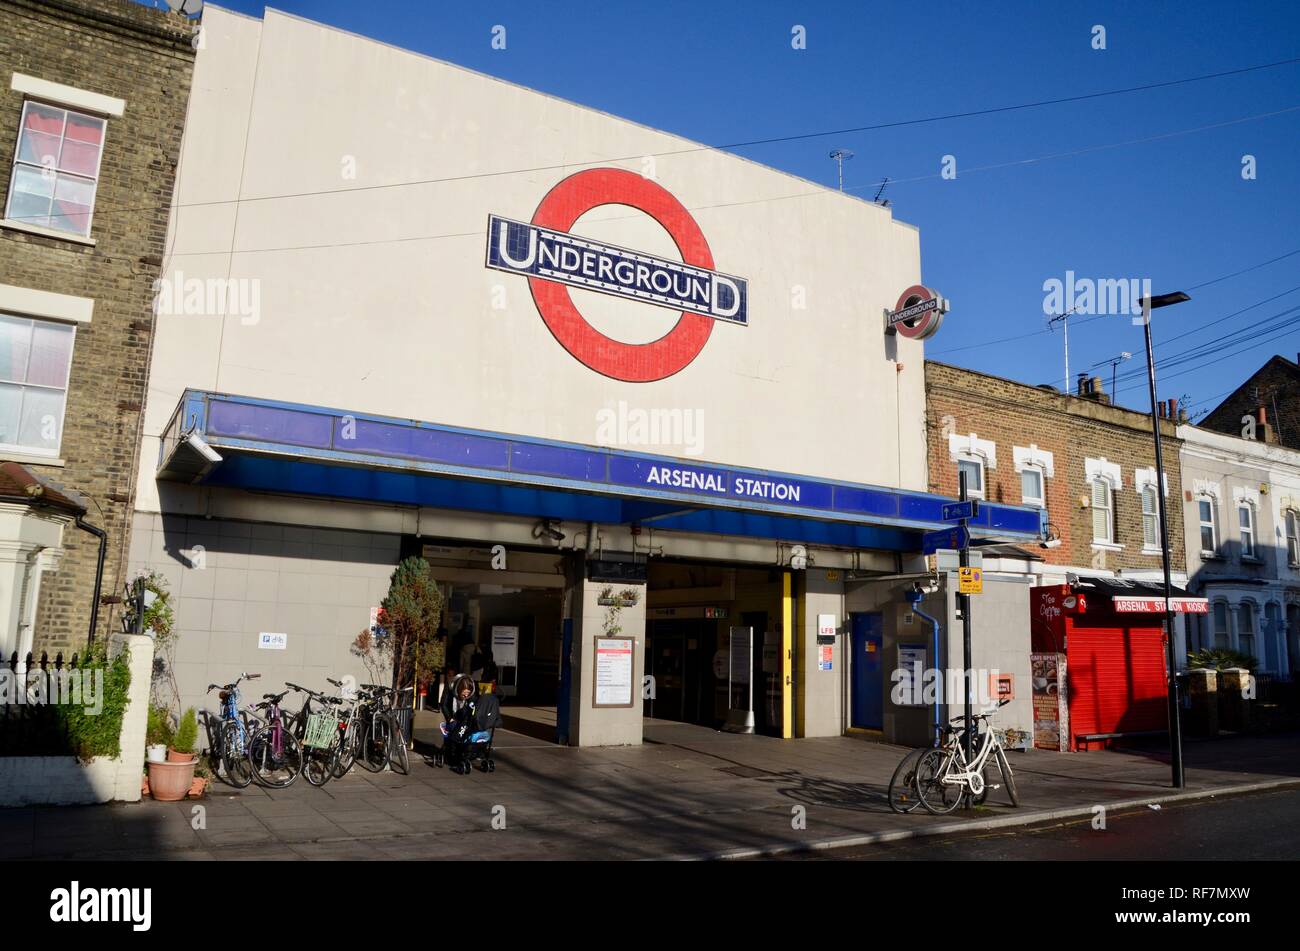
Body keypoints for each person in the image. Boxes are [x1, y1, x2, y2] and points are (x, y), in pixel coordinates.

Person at [438, 675, 479, 774]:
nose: (466, 696)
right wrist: (450, 719)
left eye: (468, 693)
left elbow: (473, 705)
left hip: (464, 714)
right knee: (453, 729)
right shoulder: (450, 686)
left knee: (468, 731)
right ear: (458, 690)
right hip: (452, 713)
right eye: (464, 693)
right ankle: (451, 752)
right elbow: (444, 704)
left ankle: (465, 752)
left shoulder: (472, 689)